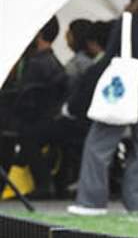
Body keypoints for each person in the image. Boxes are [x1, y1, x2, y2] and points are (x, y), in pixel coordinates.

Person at [72, 0, 138, 217]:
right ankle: (137, 206)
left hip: (126, 84)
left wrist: (89, 80)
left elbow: (109, 58)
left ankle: (91, 203)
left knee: (100, 143)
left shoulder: (126, 22)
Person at [5, 21, 83, 196]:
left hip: (36, 121)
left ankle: (43, 183)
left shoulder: (36, 64)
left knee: (24, 136)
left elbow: (22, 97)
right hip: (53, 119)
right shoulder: (53, 62)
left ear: (38, 33)